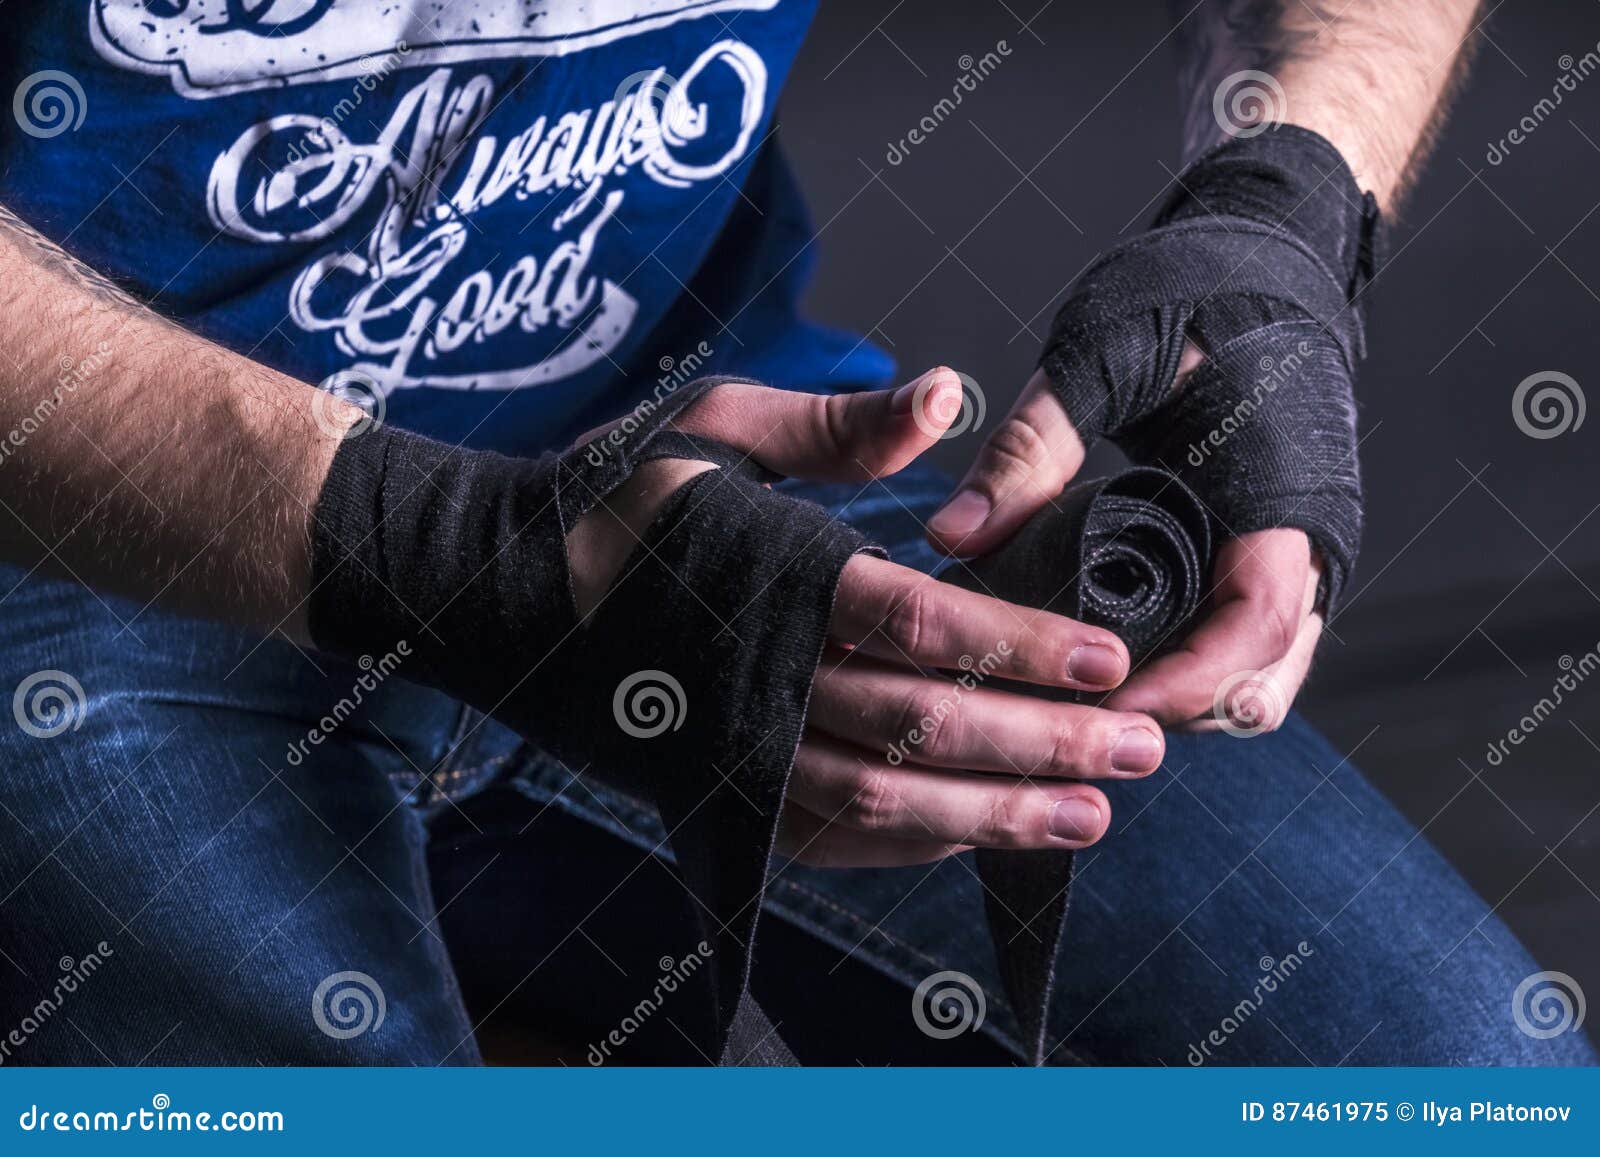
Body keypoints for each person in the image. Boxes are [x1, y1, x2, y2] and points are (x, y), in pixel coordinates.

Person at [0, 0, 1589, 1066]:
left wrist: (1283, 205)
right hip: (74, 563)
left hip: (704, 482)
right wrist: (447, 549)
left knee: (1463, 1081)